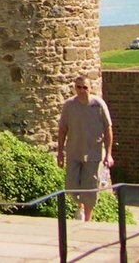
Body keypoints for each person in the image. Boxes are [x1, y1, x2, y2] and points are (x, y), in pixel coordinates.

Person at [56, 74, 114, 221]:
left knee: (90, 189)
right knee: (71, 186)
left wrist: (108, 154)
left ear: (91, 88)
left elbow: (108, 129)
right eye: (79, 87)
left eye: (85, 87)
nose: (82, 90)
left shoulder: (98, 105)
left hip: (93, 154)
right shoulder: (69, 105)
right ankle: (80, 207)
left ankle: (87, 218)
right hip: (74, 152)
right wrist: (60, 153)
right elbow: (63, 129)